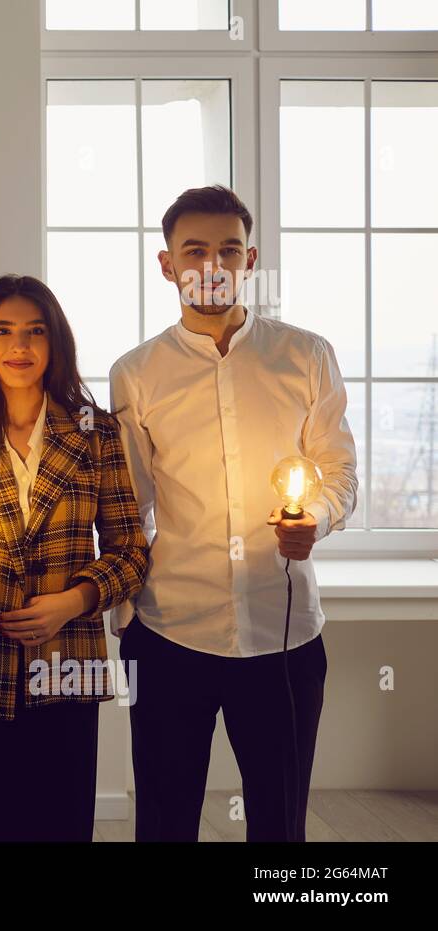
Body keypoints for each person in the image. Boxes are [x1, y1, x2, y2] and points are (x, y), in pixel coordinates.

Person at [109, 184, 358, 841]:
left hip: (285, 632)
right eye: (194, 250)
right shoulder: (136, 372)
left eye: (228, 249)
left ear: (251, 259)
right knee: (163, 823)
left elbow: (339, 473)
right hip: (168, 636)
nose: (212, 264)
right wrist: (125, 613)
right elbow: (128, 504)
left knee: (279, 828)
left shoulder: (307, 356)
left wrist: (320, 519)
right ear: (167, 265)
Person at [0, 273, 148, 841]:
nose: (20, 347)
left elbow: (131, 551)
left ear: (55, 342)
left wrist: (72, 601)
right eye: (4, 331)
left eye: (35, 331)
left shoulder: (95, 431)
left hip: (67, 659)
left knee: (63, 825)